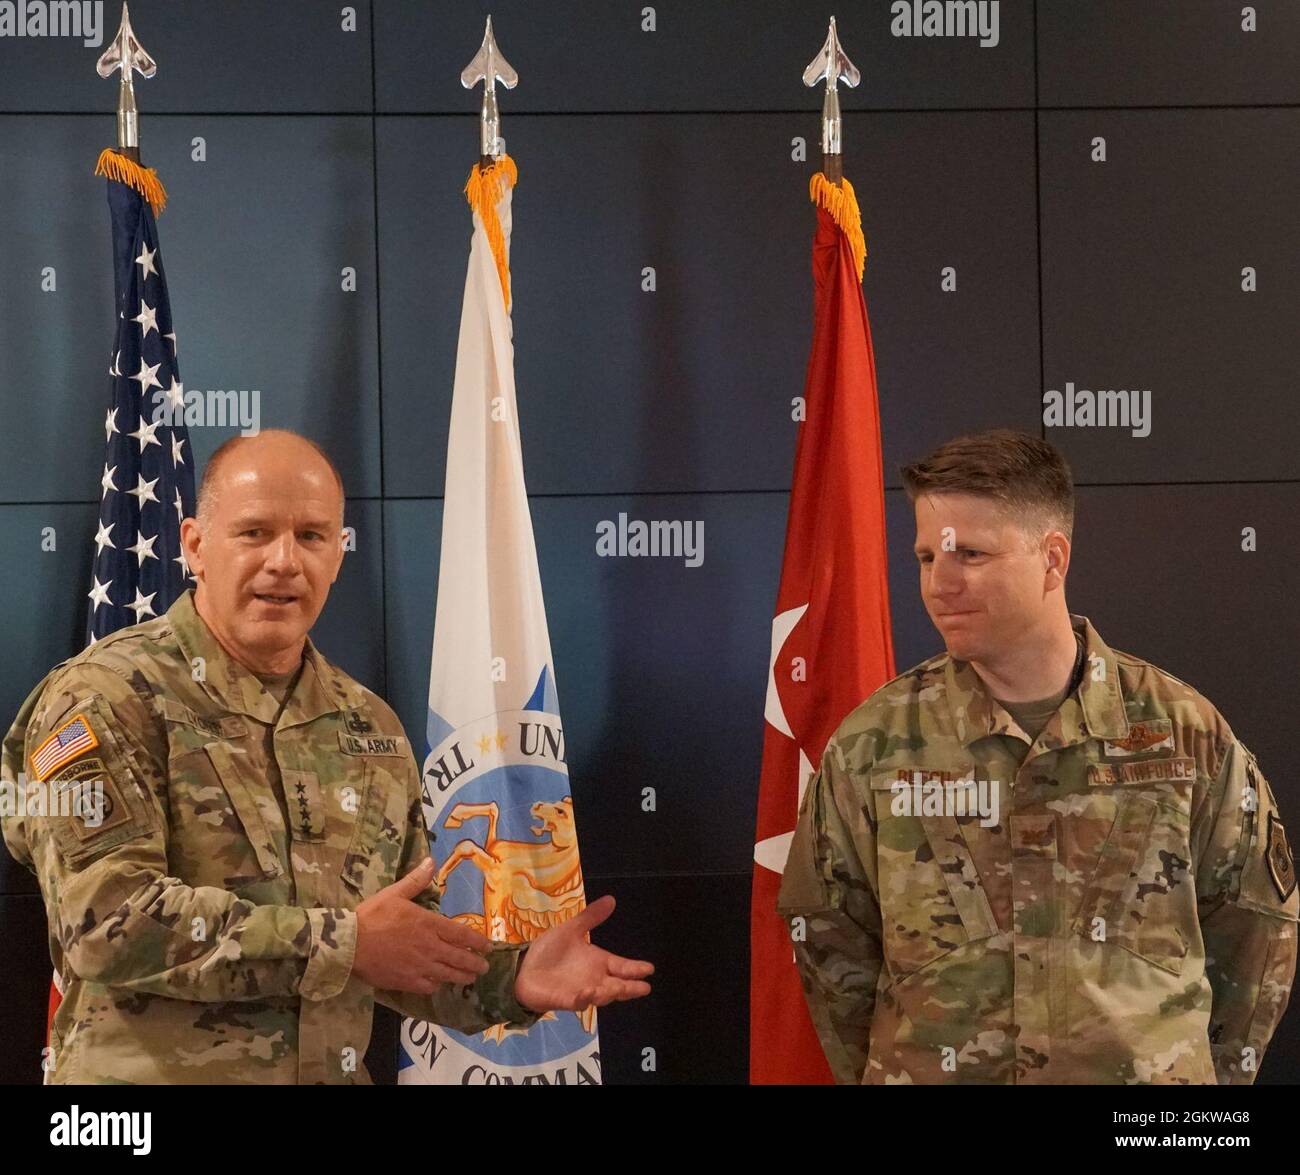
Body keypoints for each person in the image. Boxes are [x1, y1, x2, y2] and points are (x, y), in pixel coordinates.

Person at [1, 429, 652, 1084]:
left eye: (312, 536)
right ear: (194, 545)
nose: (285, 561)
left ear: (339, 555)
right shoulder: (105, 696)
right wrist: (342, 942)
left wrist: (514, 978)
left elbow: (400, 946)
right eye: (255, 533)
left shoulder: (367, 725)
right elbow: (106, 922)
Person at [777, 429, 1296, 1085]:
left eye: (970, 553)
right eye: (925, 557)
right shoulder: (871, 746)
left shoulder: (1185, 732)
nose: (941, 582)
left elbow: (1254, 931)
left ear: (1053, 559)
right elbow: (830, 941)